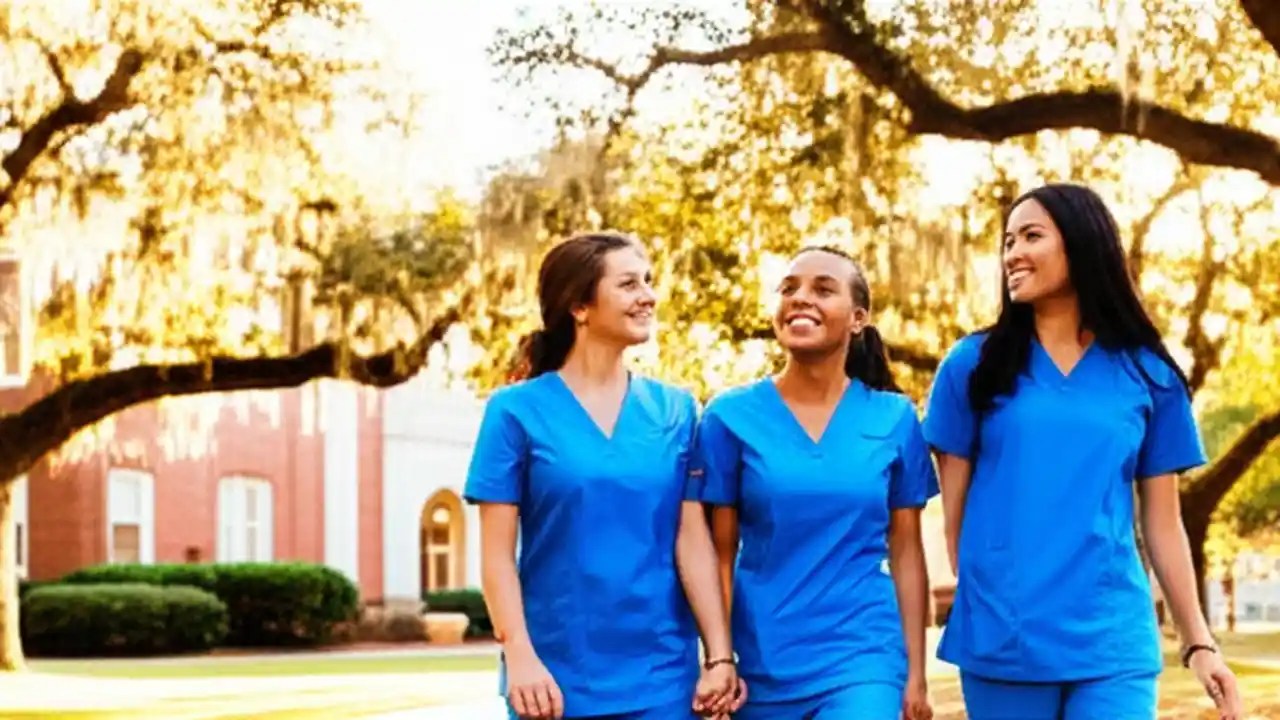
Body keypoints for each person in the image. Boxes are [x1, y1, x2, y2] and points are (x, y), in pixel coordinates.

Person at [923, 183, 1243, 720]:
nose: (1013, 254)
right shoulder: (972, 365)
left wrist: (1199, 642)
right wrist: (997, 593)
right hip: (1005, 638)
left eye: (1031, 236)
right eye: (1007, 241)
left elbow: (1162, 524)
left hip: (1112, 637)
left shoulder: (1149, 374)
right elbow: (954, 521)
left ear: (1081, 243)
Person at [463, 232, 744, 720]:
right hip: (552, 676)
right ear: (579, 306)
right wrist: (520, 657)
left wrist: (719, 655)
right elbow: (497, 557)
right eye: (629, 284)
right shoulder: (514, 412)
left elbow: (691, 539)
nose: (648, 296)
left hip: (661, 672)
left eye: (649, 282)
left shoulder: (676, 410)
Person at [689, 245, 937, 720]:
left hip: (863, 652)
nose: (800, 298)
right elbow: (720, 552)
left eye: (823, 289)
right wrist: (719, 657)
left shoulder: (894, 417)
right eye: (789, 288)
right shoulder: (729, 417)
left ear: (858, 318)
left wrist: (916, 675)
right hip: (760, 659)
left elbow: (907, 550)